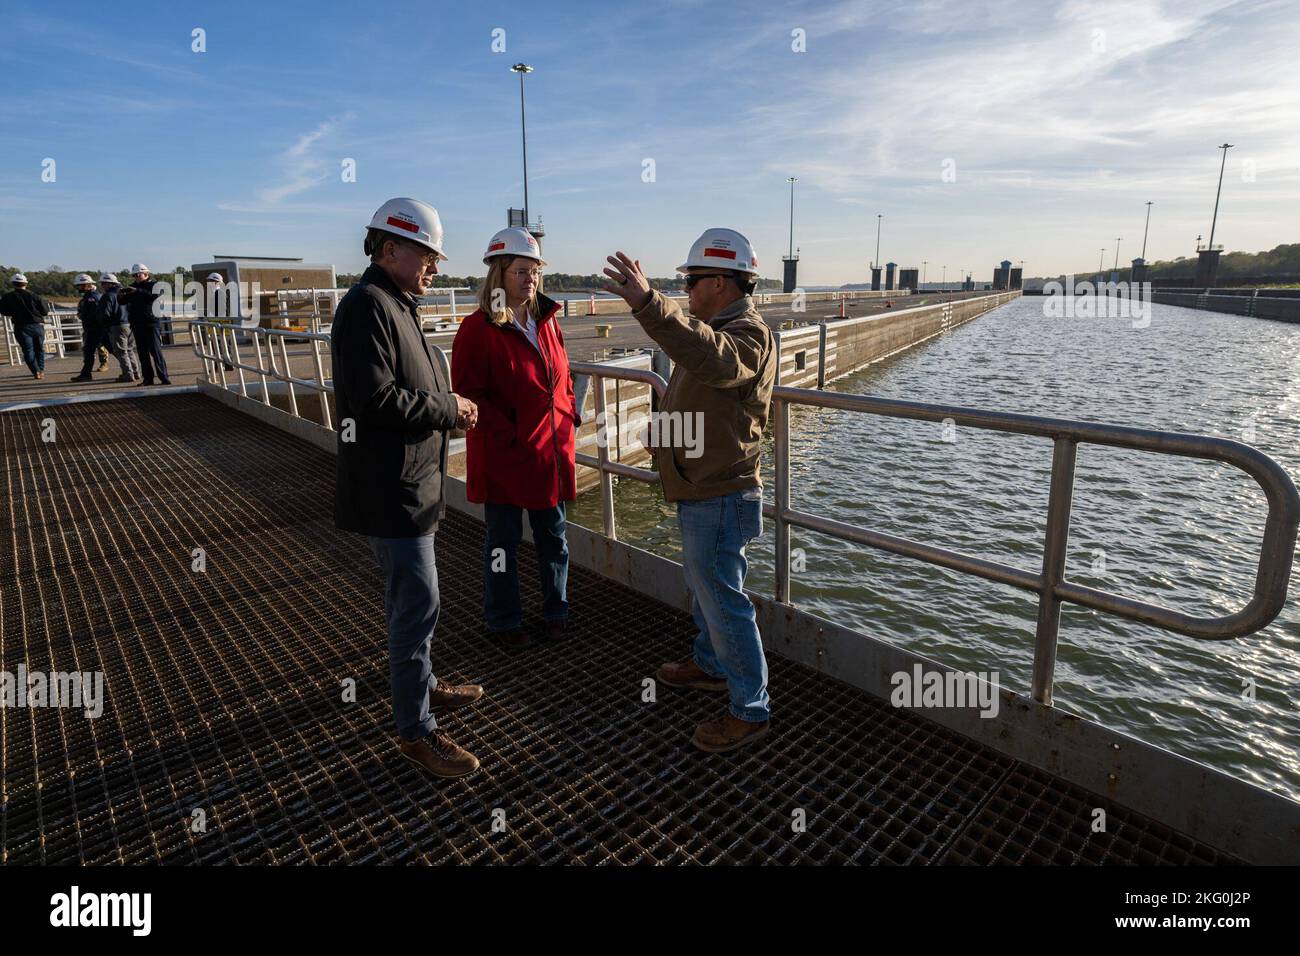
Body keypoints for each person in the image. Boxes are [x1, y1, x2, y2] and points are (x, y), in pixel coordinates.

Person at [602, 229, 776, 753]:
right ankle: (710, 664)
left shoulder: (747, 335)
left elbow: (716, 362)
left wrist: (650, 305)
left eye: (693, 280)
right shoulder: (717, 326)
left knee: (724, 598)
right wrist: (669, 437)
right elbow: (710, 405)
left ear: (720, 283)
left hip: (722, 495)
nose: (688, 290)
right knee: (708, 591)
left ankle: (751, 708)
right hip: (703, 487)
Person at [330, 197, 482, 780]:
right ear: (389, 249)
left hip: (411, 484)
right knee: (418, 604)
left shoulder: (396, 302)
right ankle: (416, 732)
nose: (436, 269)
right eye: (428, 255)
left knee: (412, 603)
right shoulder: (369, 306)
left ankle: (422, 684)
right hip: (393, 489)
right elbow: (375, 401)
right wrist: (451, 407)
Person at [451, 227, 578, 653]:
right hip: (507, 456)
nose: (531, 279)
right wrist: (511, 437)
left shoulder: (547, 321)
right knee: (502, 543)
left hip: (551, 453)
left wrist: (570, 414)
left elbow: (563, 379)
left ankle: (556, 611)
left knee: (554, 538)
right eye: (522, 270)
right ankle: (504, 619)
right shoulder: (477, 329)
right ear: (499, 274)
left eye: (536, 271)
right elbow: (471, 396)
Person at [117, 263, 170, 385]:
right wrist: (120, 295)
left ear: (146, 273)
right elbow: (122, 302)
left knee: (156, 352)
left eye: (138, 274)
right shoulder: (132, 287)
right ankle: (148, 378)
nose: (136, 277)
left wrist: (138, 291)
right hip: (137, 324)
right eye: (134, 275)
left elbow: (155, 296)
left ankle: (164, 377)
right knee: (142, 354)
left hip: (151, 323)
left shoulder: (154, 285)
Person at [1, 273, 51, 379]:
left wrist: (14, 312)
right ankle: (41, 370)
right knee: (39, 349)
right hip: (37, 325)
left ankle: (36, 371)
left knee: (28, 351)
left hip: (21, 327)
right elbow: (45, 311)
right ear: (26, 284)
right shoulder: (34, 296)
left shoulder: (7, 297)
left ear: (13, 284)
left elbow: (3, 311)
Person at [96, 274, 140, 383]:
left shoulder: (108, 296)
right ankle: (136, 373)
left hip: (117, 326)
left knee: (121, 351)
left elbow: (104, 314)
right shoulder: (126, 293)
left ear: (110, 284)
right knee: (130, 350)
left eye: (103, 283)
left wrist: (106, 325)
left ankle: (128, 374)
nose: (102, 286)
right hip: (130, 324)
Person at [69, 274, 105, 382]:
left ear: (86, 285)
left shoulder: (91, 298)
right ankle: (86, 374)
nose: (78, 288)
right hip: (95, 329)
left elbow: (93, 314)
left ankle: (86, 374)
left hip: (94, 329)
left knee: (89, 352)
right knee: (112, 350)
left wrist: (83, 316)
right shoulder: (92, 296)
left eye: (79, 286)